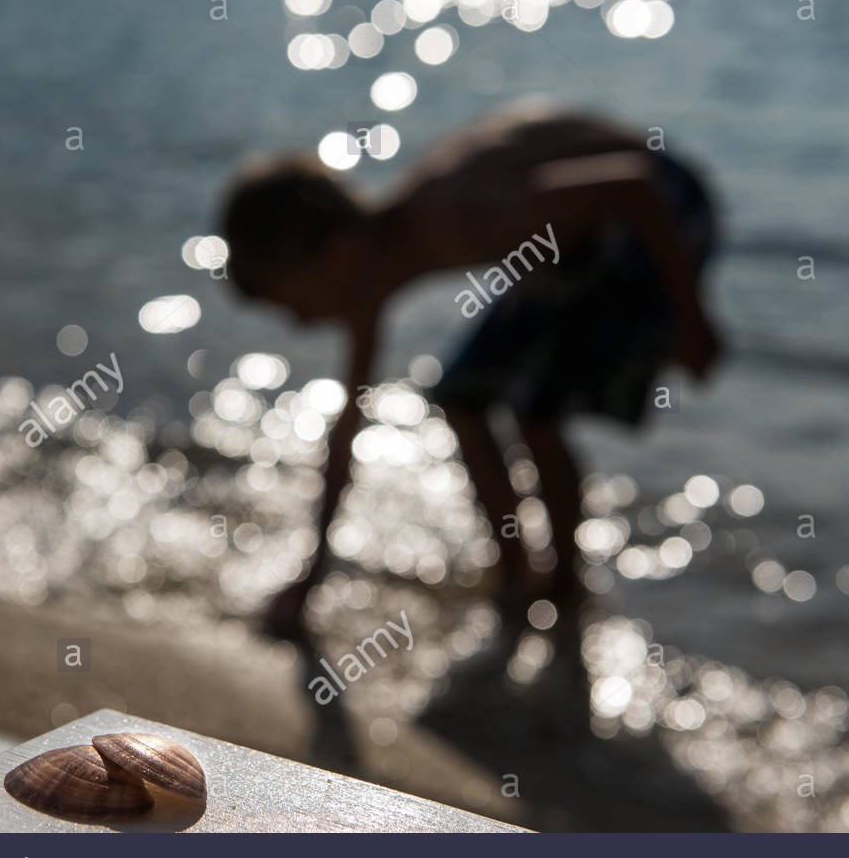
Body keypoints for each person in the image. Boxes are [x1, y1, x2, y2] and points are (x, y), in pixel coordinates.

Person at [219, 98, 722, 683]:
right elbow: (347, 432)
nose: (304, 325)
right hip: (571, 234)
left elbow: (631, 184)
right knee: (462, 397)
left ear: (339, 252)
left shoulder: (461, 216)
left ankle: (562, 590)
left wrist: (691, 315)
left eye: (297, 305)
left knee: (537, 415)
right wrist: (312, 574)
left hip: (660, 208)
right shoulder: (371, 274)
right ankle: (519, 582)